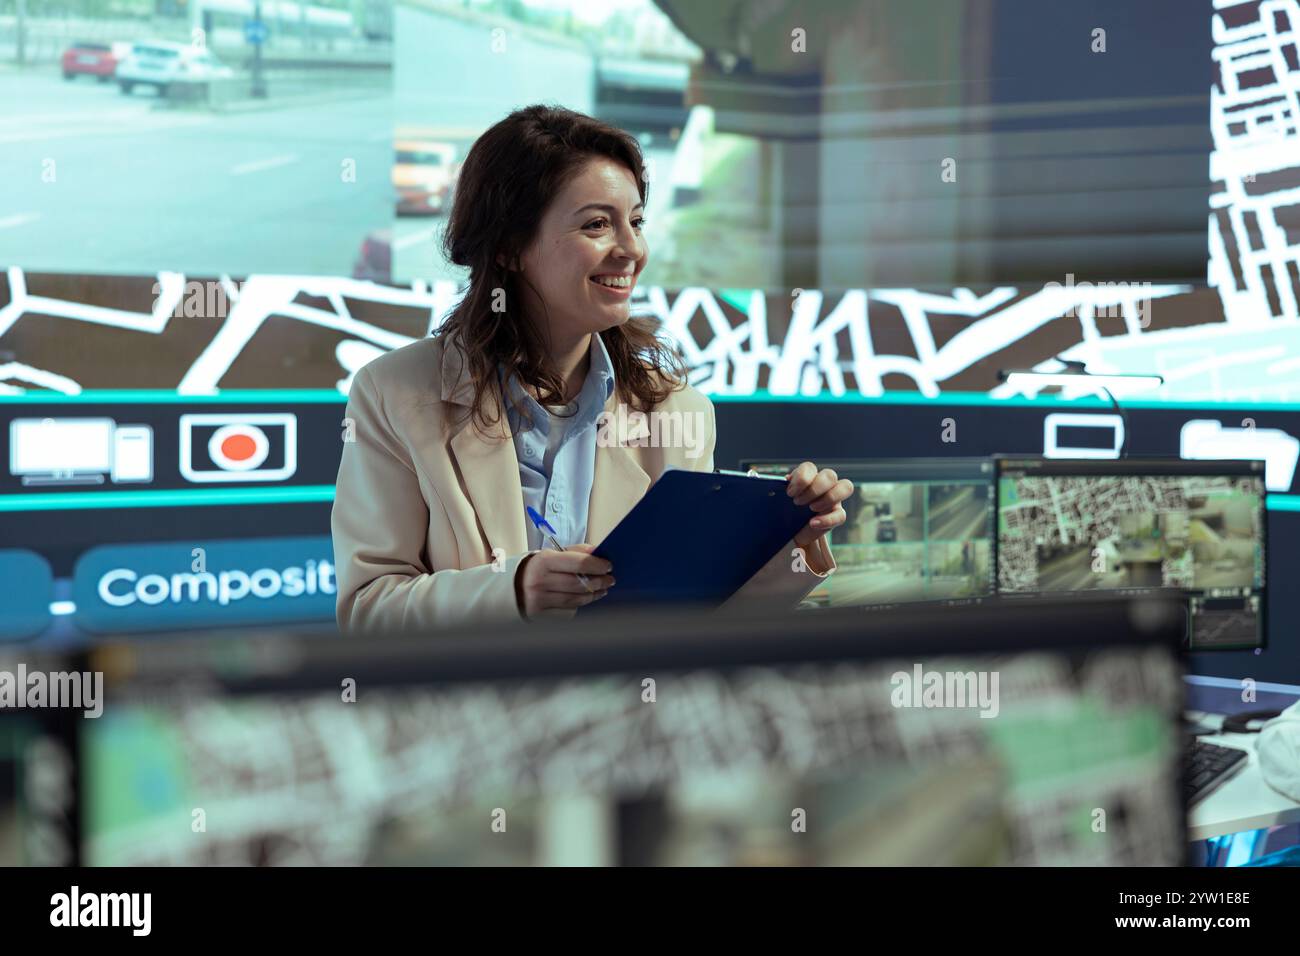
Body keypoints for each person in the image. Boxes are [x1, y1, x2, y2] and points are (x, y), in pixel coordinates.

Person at [332, 104, 852, 631]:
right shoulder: (392, 393)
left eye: (636, 222)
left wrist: (788, 546)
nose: (632, 249)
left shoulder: (677, 409)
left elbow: (697, 620)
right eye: (597, 224)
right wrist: (512, 590)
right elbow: (368, 610)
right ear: (509, 246)